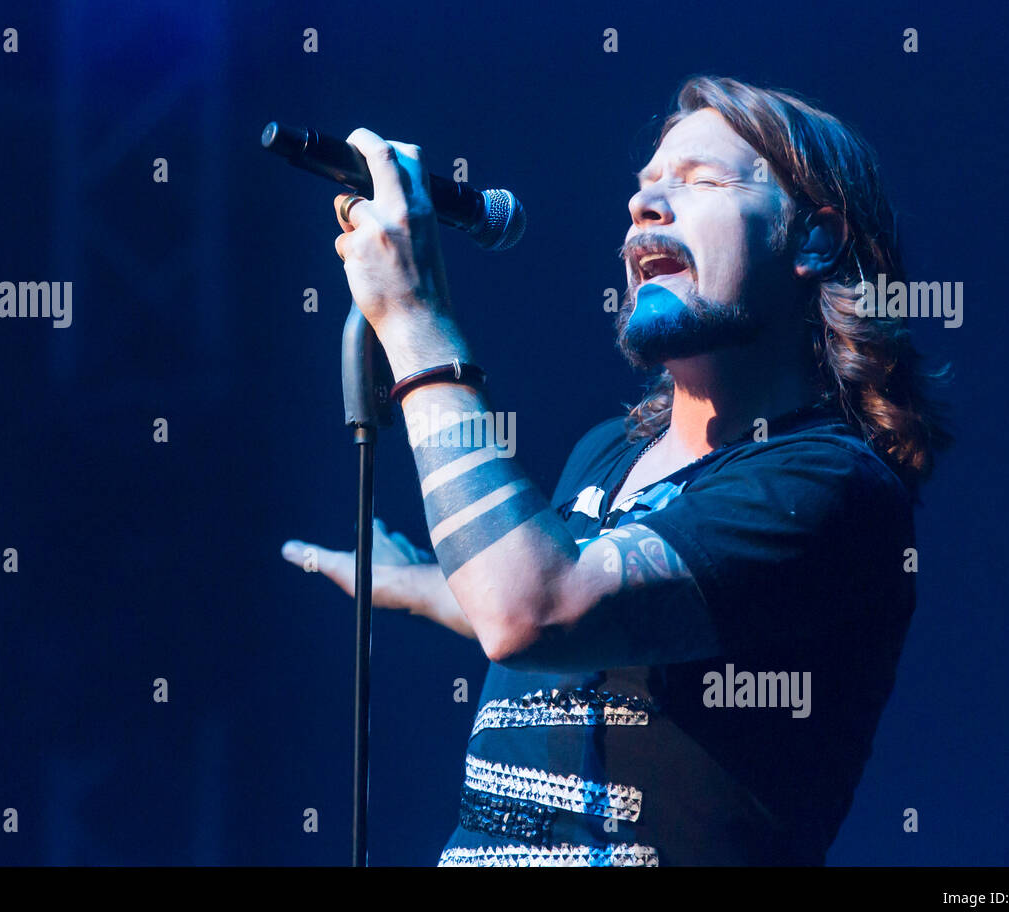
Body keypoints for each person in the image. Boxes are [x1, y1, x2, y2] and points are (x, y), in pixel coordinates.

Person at [282, 75, 951, 865]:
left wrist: (417, 322)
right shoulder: (608, 451)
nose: (646, 205)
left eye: (702, 182)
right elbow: (599, 603)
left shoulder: (827, 485)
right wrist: (424, 583)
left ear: (814, 239)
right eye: (644, 188)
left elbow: (536, 609)